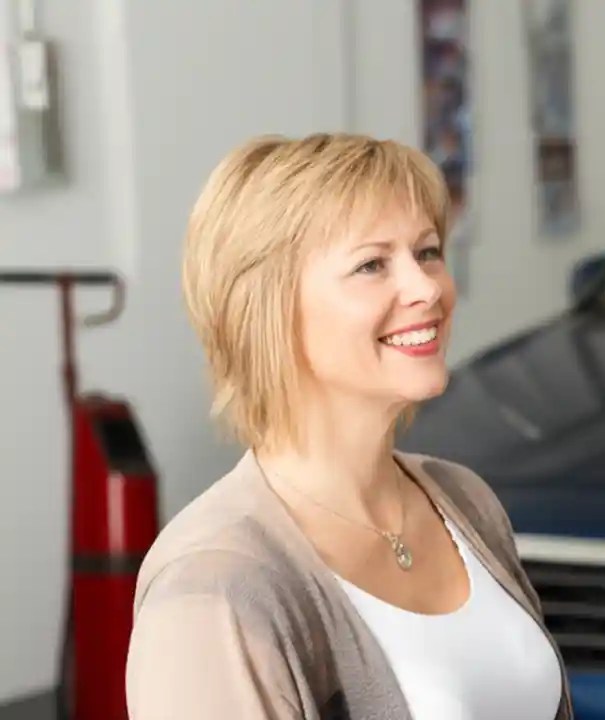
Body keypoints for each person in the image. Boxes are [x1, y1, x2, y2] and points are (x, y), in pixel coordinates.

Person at [125, 133, 571, 720]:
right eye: (372, 264)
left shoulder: (463, 500)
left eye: (429, 251)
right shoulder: (214, 585)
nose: (427, 288)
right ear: (269, 307)